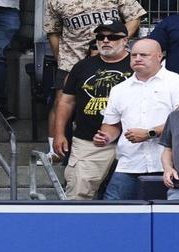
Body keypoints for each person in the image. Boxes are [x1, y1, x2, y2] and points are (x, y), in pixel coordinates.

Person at [95, 38, 179, 200]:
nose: (137, 58)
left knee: (169, 216)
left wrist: (149, 133)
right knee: (113, 212)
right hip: (130, 163)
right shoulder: (119, 89)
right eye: (134, 55)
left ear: (159, 56)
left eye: (144, 55)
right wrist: (105, 137)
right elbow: (112, 126)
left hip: (170, 165)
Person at [51, 21, 131, 199]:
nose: (105, 41)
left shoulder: (136, 65)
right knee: (78, 192)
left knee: (126, 197)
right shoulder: (82, 66)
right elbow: (66, 102)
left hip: (132, 140)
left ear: (125, 40)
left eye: (112, 37)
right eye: (100, 37)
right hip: (88, 140)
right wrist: (59, 133)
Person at [45, 0, 145, 91]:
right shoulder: (55, 1)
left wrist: (113, 40)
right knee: (62, 104)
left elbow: (134, 18)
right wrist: (61, 59)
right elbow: (53, 32)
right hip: (71, 63)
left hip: (113, 62)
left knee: (114, 100)